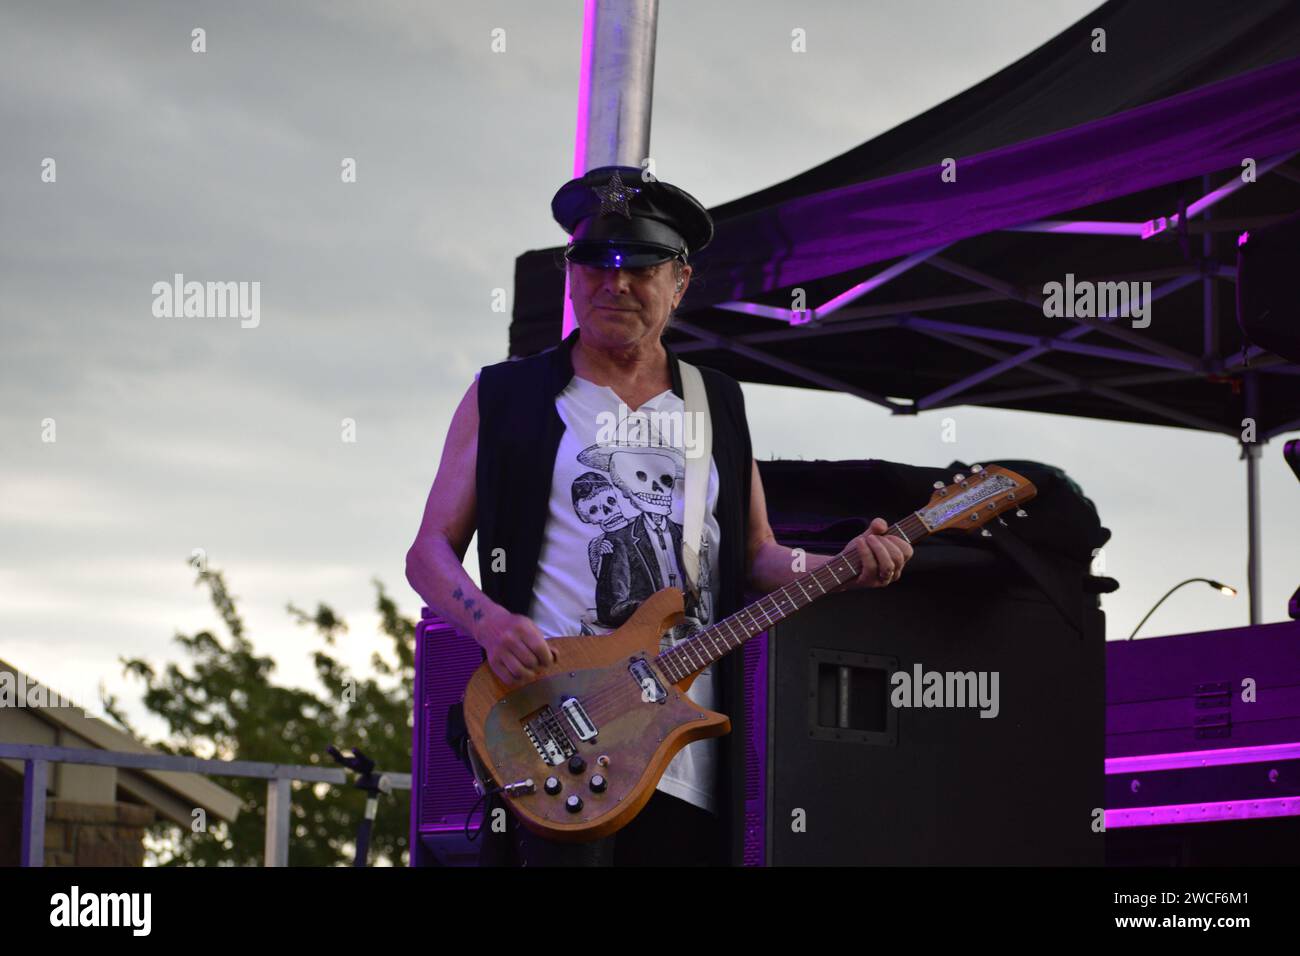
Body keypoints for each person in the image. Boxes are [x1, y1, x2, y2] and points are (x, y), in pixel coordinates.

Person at [405, 165, 914, 866]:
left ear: (680, 282)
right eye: (595, 263)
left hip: (682, 748)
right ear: (571, 273)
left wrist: (841, 568)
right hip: (553, 731)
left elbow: (758, 557)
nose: (614, 283)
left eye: (640, 267)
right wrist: (489, 624)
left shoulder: (716, 403)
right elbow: (427, 551)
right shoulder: (506, 395)